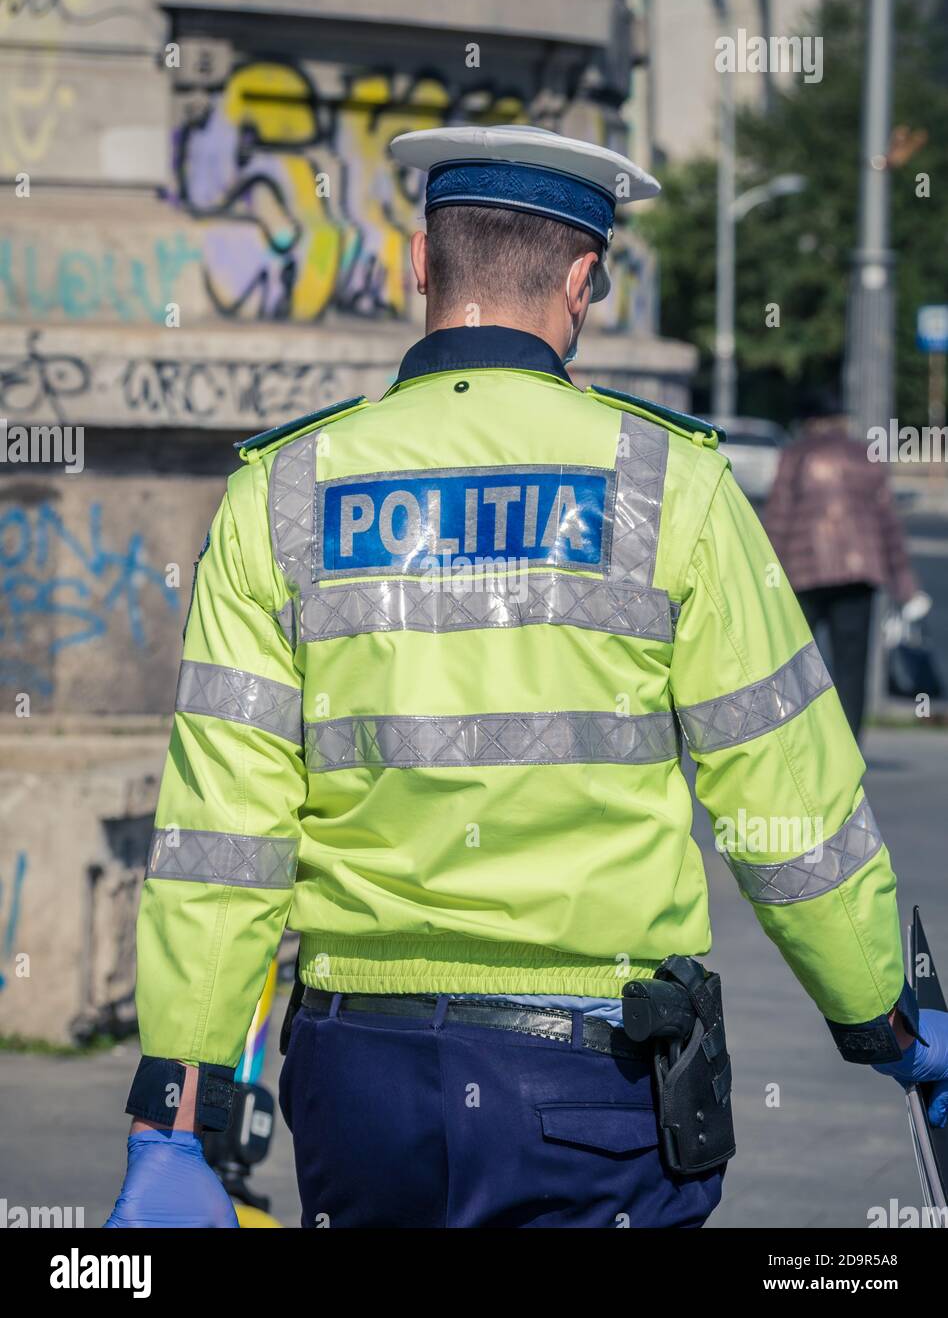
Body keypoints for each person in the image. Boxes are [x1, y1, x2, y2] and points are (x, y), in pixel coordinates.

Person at [106, 126, 948, 1230]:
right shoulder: (669, 483)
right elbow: (782, 798)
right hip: (590, 1085)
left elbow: (222, 833)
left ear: (419, 262)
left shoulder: (285, 490)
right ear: (584, 279)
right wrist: (885, 1012)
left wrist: (177, 1112)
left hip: (361, 1088)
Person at [764, 385, 928, 738]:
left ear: (808, 421)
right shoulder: (864, 455)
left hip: (803, 575)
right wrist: (907, 589)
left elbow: (778, 520)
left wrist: (764, 576)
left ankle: (797, 736)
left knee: (792, 659)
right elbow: (888, 525)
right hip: (858, 575)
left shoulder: (796, 456)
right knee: (852, 667)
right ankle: (850, 745)